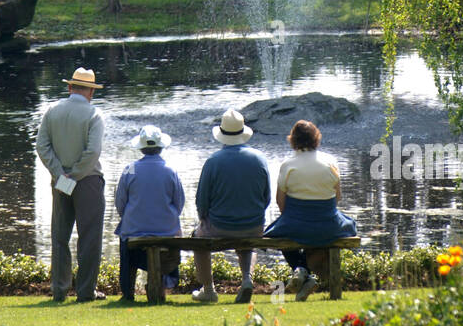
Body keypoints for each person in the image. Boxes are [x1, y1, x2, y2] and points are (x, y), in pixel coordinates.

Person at [264, 118, 357, 301]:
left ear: (293, 140)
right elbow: (337, 197)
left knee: (277, 234)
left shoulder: (288, 165)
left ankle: (300, 269)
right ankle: (307, 273)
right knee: (341, 230)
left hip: (296, 223)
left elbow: (280, 202)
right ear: (316, 138)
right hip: (328, 223)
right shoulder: (331, 162)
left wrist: (297, 218)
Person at [36, 67, 106, 303]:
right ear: (91, 92)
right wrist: (75, 175)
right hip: (87, 181)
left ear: (69, 87)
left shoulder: (51, 111)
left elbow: (42, 147)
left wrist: (60, 174)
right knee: (89, 237)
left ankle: (59, 289)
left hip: (60, 182)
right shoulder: (94, 115)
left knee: (59, 235)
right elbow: (93, 152)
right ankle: (85, 292)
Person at [192, 107, 271, 304]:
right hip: (253, 226)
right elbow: (266, 197)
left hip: (220, 226)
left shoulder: (213, 162)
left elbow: (202, 201)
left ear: (221, 134)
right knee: (247, 243)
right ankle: (246, 279)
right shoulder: (260, 159)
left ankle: (208, 289)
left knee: (197, 238)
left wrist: (204, 220)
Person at [115, 124, 185, 302]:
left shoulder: (129, 169)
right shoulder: (171, 170)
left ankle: (127, 290)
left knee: (124, 238)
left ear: (141, 148)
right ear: (160, 146)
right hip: (166, 230)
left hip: (134, 229)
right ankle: (163, 284)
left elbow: (120, 203)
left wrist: (131, 218)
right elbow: (179, 203)